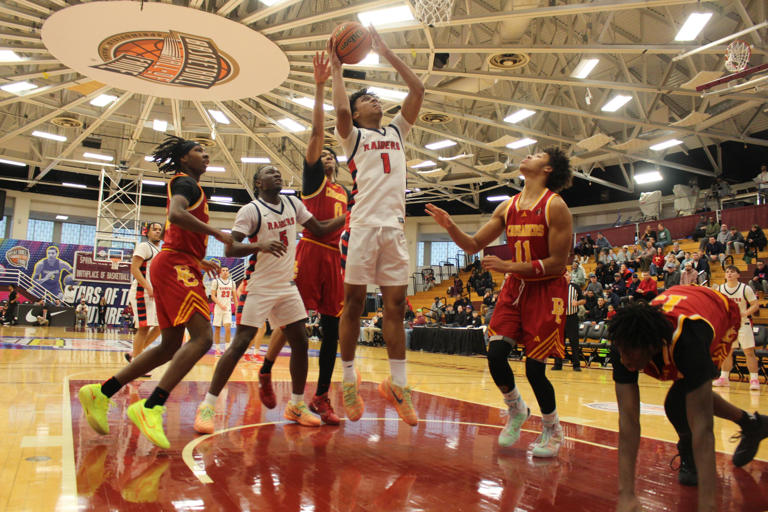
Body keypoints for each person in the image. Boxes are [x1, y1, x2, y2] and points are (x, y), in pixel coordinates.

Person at [77, 135, 233, 449]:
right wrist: (217, 232)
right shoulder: (186, 184)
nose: (205, 155)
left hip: (177, 262)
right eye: (198, 151)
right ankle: (152, 406)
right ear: (184, 159)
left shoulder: (192, 187)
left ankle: (101, 392)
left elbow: (178, 232)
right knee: (203, 338)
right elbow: (176, 215)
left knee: (169, 346)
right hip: (175, 266)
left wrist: (199, 259)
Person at [426, 147, 573, 457]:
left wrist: (508, 266)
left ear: (548, 169)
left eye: (538, 154)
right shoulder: (508, 206)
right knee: (495, 355)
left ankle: (552, 429)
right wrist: (451, 226)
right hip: (516, 287)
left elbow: (559, 263)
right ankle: (516, 408)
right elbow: (474, 244)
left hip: (547, 290)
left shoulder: (555, 207)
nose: (530, 155)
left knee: (535, 370)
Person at [192, 164, 345, 434]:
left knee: (300, 339)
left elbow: (319, 229)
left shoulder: (292, 203)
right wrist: (258, 245)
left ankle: (296, 405)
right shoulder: (251, 210)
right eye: (269, 172)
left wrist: (349, 215)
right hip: (259, 284)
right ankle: (207, 405)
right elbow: (231, 247)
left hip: (285, 285)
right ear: (259, 183)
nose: (277, 174)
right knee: (240, 343)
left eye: (278, 171)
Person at [330, 26, 425, 426]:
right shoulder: (352, 137)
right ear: (356, 113)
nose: (376, 101)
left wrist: (386, 52)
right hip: (363, 226)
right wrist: (336, 69)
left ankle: (398, 385)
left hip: (394, 229)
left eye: (375, 97)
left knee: (397, 307)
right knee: (352, 305)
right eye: (367, 99)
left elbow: (417, 91)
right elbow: (337, 111)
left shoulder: (396, 132)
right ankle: (349, 380)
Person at [608, 286, 768, 511]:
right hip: (684, 304)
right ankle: (752, 424)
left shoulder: (688, 340)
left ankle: (696, 448)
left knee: (677, 403)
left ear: (652, 347)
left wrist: (708, 505)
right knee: (682, 397)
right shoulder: (623, 343)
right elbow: (628, 422)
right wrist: (626, 495)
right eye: (621, 353)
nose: (624, 361)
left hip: (719, 313)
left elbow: (704, 428)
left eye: (630, 354)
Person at [257, 52, 351, 426]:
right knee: (292, 322)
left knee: (332, 330)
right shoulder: (313, 183)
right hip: (309, 252)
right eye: (322, 154)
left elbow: (348, 223)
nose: (326, 156)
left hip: (334, 259)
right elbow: (316, 133)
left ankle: (322, 396)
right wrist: (320, 86)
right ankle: (266, 369)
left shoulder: (343, 190)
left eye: (331, 155)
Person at [713, 266, 761, 390]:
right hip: (728, 325)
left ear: (738, 275)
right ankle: (724, 378)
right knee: (727, 352)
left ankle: (754, 379)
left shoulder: (746, 288)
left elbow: (755, 305)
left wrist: (745, 313)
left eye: (732, 272)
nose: (729, 274)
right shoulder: (720, 288)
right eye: (727, 272)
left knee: (749, 352)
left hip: (743, 324)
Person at [125, 222, 162, 364]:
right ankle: (137, 362)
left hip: (155, 293)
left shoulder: (159, 250)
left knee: (160, 327)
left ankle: (134, 354)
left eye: (160, 230)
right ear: (147, 232)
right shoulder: (144, 246)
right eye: (155, 229)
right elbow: (134, 269)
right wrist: (148, 287)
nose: (158, 232)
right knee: (144, 328)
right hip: (142, 292)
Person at [553, 272, 584, 371]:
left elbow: (583, 300)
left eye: (566, 275)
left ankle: (576, 365)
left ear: (570, 277)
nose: (564, 277)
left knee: (574, 342)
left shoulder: (575, 287)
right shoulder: (557, 287)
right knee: (559, 341)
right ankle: (558, 364)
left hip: (572, 318)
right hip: (560, 318)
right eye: (563, 275)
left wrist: (577, 302)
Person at [210, 267, 237, 355]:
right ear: (220, 273)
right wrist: (220, 304)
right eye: (223, 271)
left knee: (228, 328)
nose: (225, 272)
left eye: (227, 270)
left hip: (227, 308)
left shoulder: (232, 283)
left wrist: (237, 308)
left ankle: (227, 349)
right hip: (218, 308)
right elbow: (213, 296)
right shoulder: (216, 282)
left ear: (229, 272)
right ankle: (217, 350)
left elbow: (235, 297)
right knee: (217, 329)